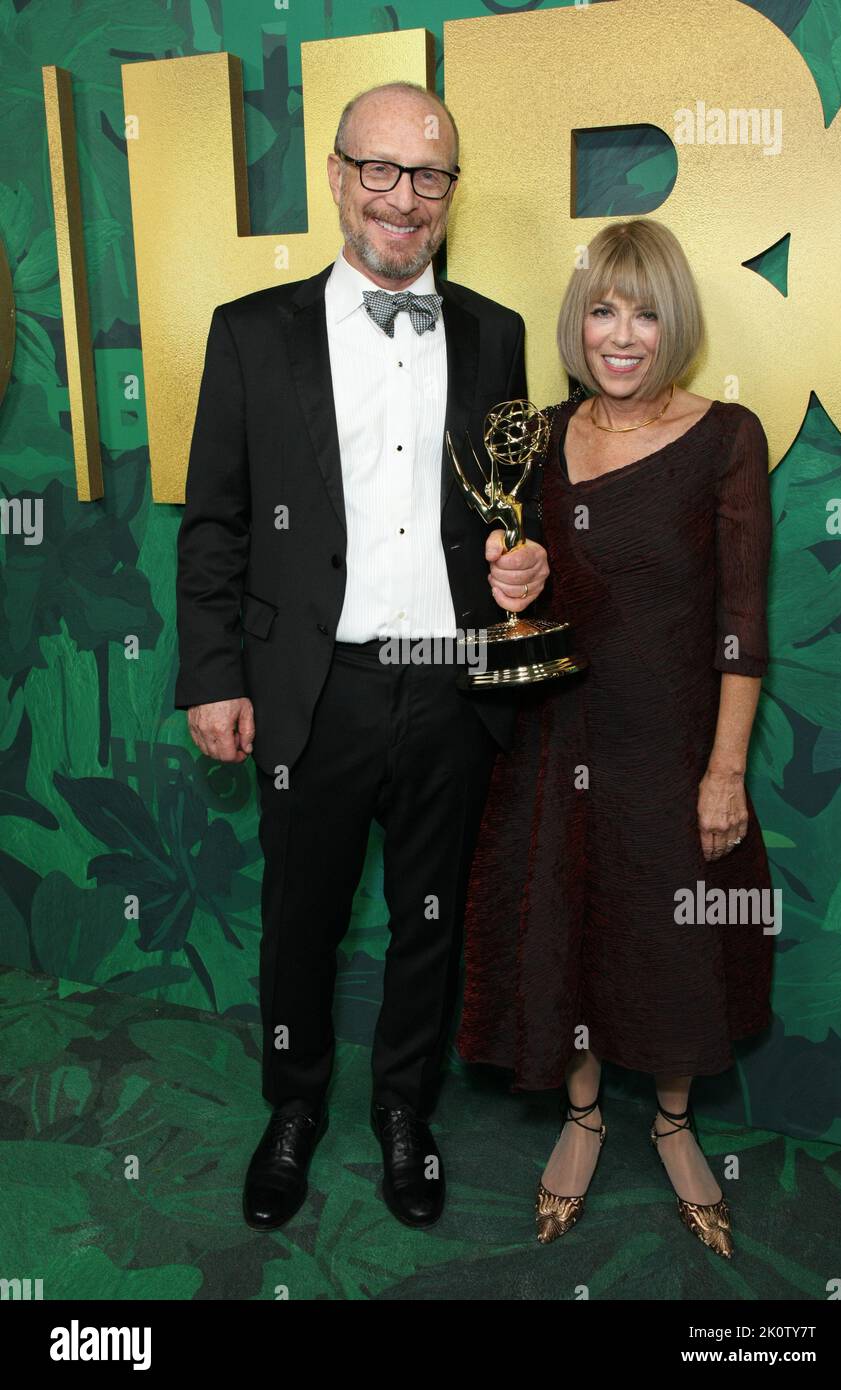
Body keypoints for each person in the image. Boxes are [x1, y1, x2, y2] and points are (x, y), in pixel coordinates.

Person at [174, 80, 550, 1232]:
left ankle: (404, 1113)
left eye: (428, 175)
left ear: (449, 193)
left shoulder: (496, 332)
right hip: (311, 686)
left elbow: (505, 509)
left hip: (448, 683)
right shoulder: (250, 331)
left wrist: (518, 567)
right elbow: (216, 521)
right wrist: (213, 671)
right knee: (302, 918)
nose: (403, 196)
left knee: (429, 917)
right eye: (378, 169)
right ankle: (290, 1108)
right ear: (337, 177)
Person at [458, 217, 774, 1259]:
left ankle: (672, 1121)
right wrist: (513, 576)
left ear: (672, 319)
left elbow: (741, 623)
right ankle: (584, 1114)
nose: (622, 334)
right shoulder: (534, 437)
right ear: (577, 322)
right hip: (560, 743)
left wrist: (723, 770)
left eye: (643, 311)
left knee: (674, 942)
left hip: (676, 746)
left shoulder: (726, 437)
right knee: (573, 930)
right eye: (602, 309)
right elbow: (525, 583)